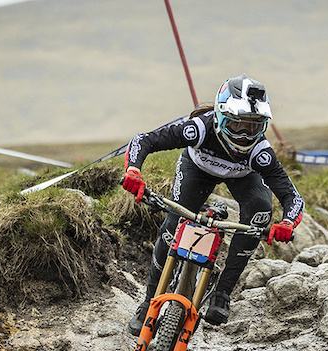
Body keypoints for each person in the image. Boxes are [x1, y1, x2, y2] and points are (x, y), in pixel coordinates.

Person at [121, 74, 305, 335]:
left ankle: (223, 293)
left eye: (253, 127)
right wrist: (133, 172)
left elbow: (292, 197)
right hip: (197, 168)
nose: (243, 135)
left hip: (243, 177)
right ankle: (149, 301)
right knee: (173, 222)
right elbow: (145, 140)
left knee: (261, 212)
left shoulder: (260, 153)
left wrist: (286, 223)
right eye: (236, 125)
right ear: (219, 116)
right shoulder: (199, 128)